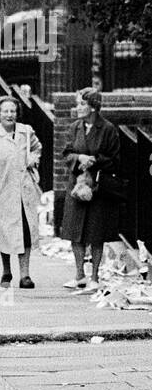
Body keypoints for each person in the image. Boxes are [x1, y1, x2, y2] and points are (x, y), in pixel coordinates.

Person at [0, 95, 42, 289]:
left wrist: (33, 159)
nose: (9, 115)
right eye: (5, 111)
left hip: (24, 191)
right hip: (2, 191)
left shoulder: (26, 132)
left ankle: (25, 275)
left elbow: (38, 147)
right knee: (5, 232)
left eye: (12, 111)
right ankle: (6, 271)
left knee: (25, 232)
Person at [61, 87, 122, 291]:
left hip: (97, 187)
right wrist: (79, 158)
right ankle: (79, 274)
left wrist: (94, 161)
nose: (78, 108)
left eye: (82, 104)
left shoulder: (108, 129)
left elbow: (115, 160)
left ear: (94, 107)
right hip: (76, 185)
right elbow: (67, 153)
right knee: (74, 230)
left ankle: (95, 276)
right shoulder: (74, 127)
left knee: (96, 233)